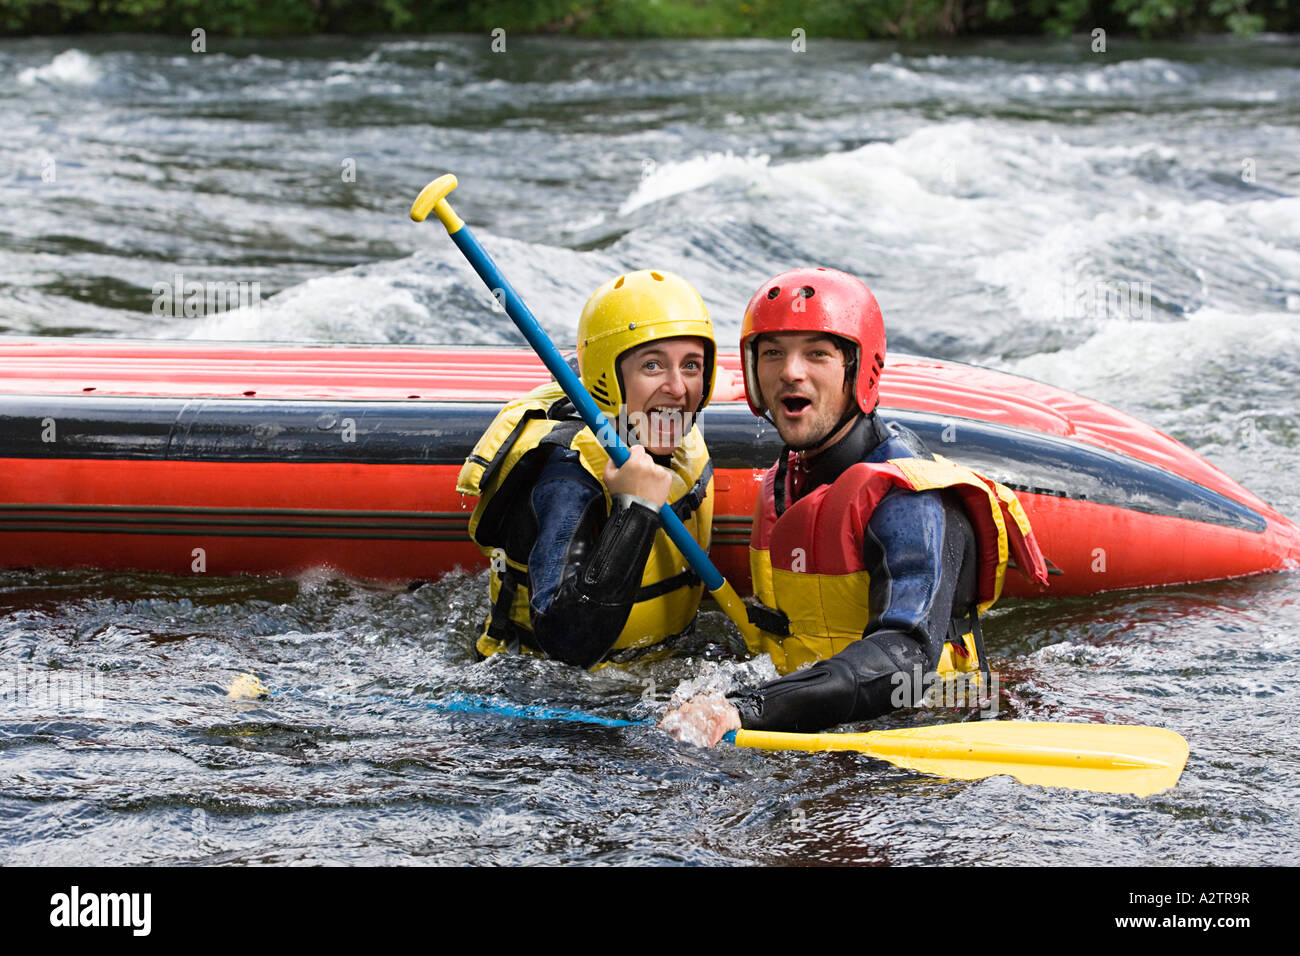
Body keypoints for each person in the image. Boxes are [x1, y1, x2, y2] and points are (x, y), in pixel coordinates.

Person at [661, 267, 1048, 744]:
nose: (790, 372)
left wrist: (745, 707)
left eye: (817, 354)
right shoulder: (792, 474)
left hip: (918, 731)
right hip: (808, 711)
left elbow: (905, 657)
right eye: (773, 353)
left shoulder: (911, 499)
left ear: (860, 371)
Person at [456, 269, 718, 669]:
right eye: (652, 366)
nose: (679, 389)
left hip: (655, 669)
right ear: (605, 377)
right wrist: (635, 510)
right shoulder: (567, 478)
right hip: (552, 706)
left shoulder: (665, 418)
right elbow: (568, 643)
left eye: (692, 366)